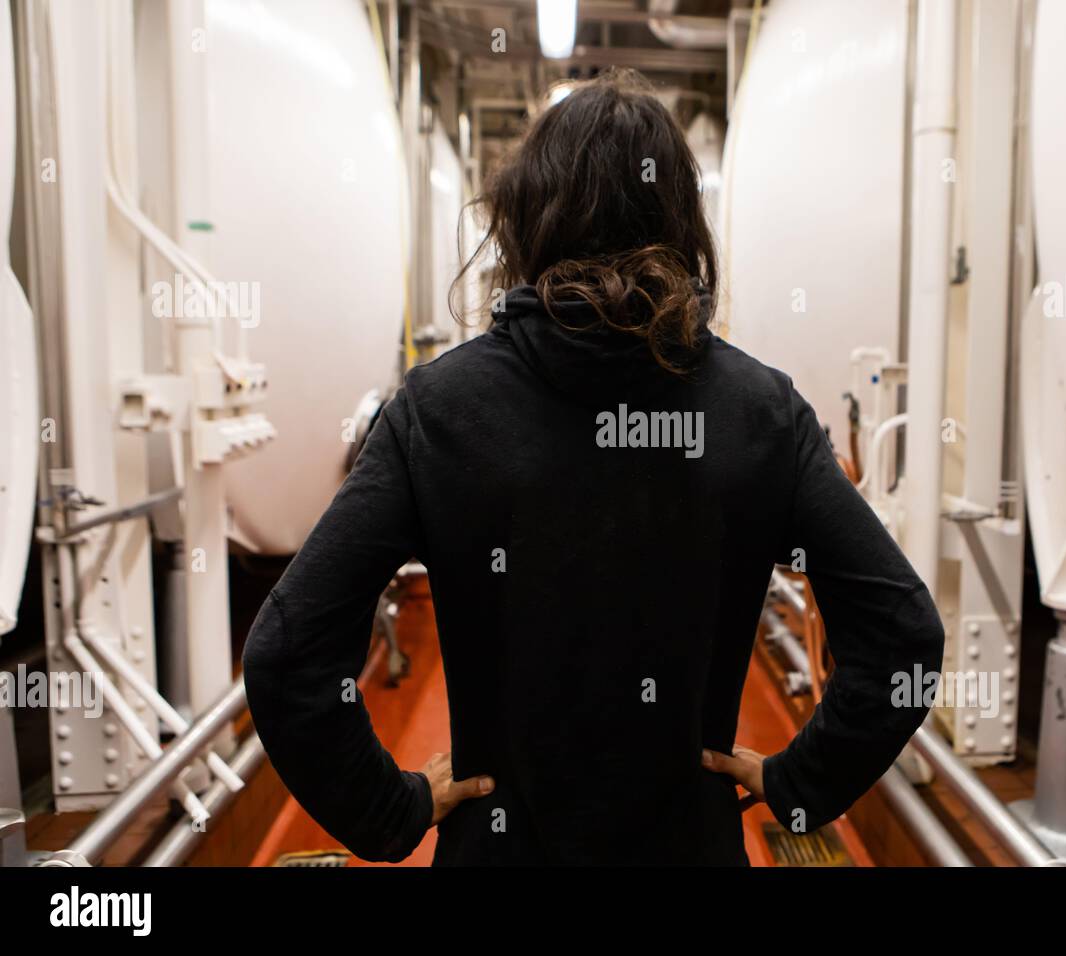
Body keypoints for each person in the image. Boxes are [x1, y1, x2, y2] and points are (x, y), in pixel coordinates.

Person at [241, 68, 944, 866]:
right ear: (684, 223)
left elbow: (286, 656)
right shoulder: (761, 413)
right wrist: (800, 783)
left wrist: (389, 812)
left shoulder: (440, 410)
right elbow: (903, 638)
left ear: (528, 220)